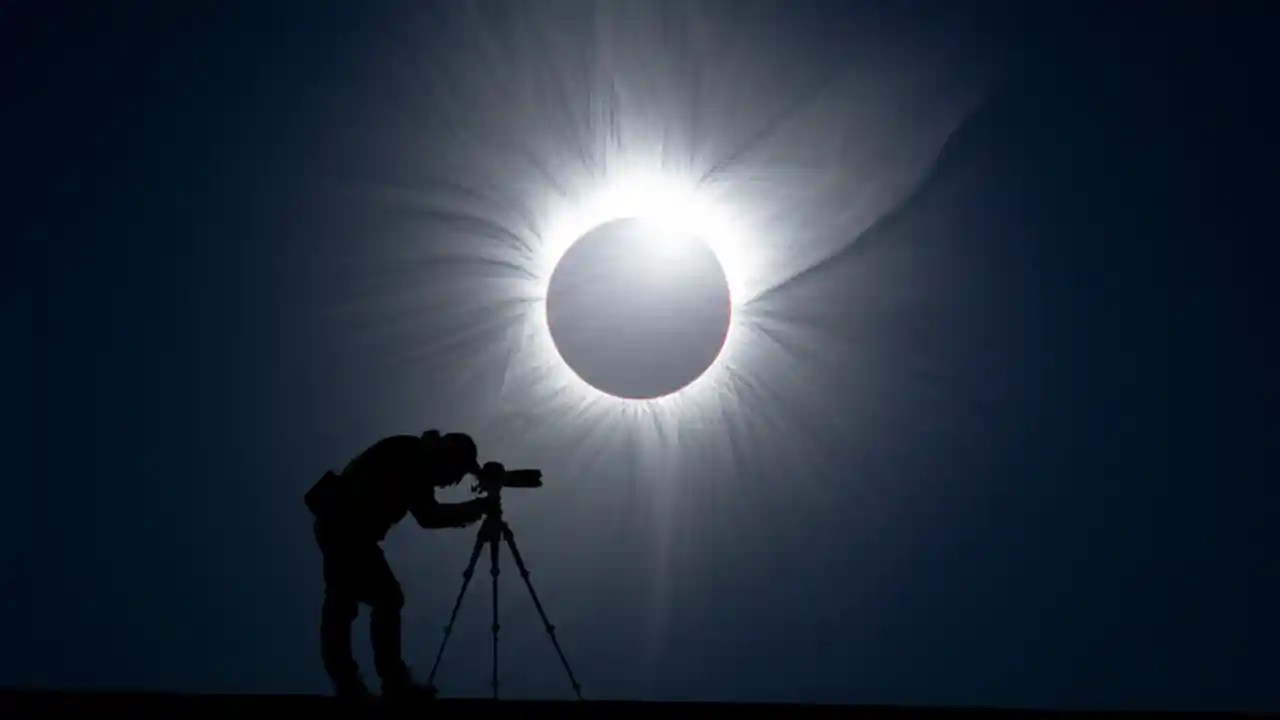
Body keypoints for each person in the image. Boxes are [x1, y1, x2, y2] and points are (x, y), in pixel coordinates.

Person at [304, 430, 493, 702]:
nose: (445, 483)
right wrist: (476, 508)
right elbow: (428, 515)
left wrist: (477, 478)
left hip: (346, 527)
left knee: (351, 601)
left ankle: (359, 682)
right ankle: (382, 684)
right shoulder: (415, 457)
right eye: (452, 475)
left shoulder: (413, 452)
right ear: (447, 459)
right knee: (368, 599)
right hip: (346, 527)